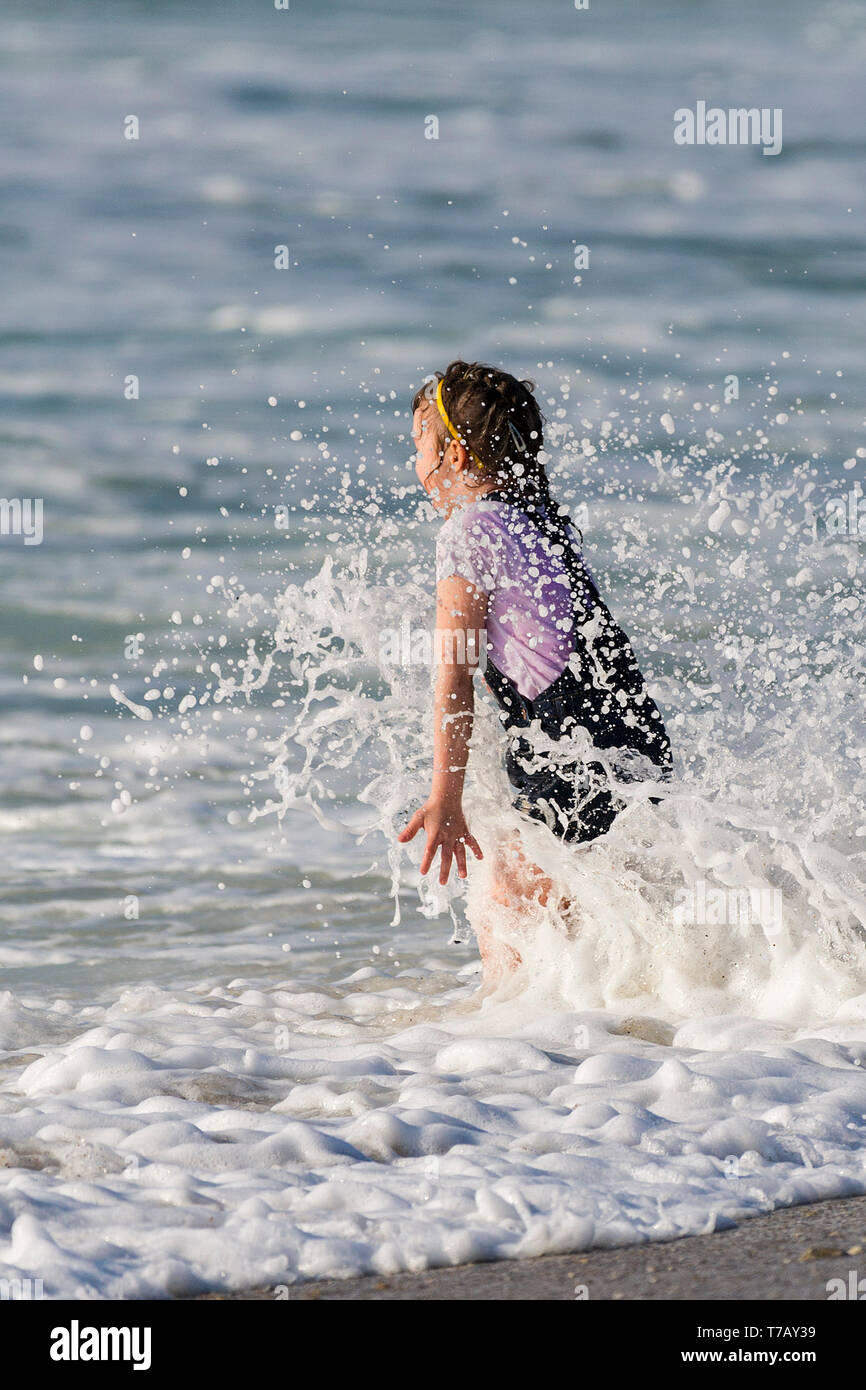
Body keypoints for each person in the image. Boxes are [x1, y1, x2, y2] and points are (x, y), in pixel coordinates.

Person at [398, 360, 671, 979]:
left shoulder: (467, 532)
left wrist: (446, 796)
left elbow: (456, 675)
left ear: (458, 458)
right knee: (592, 902)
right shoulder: (542, 520)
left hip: (568, 741)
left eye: (419, 446)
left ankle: (518, 1043)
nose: (414, 464)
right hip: (629, 728)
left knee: (505, 906)